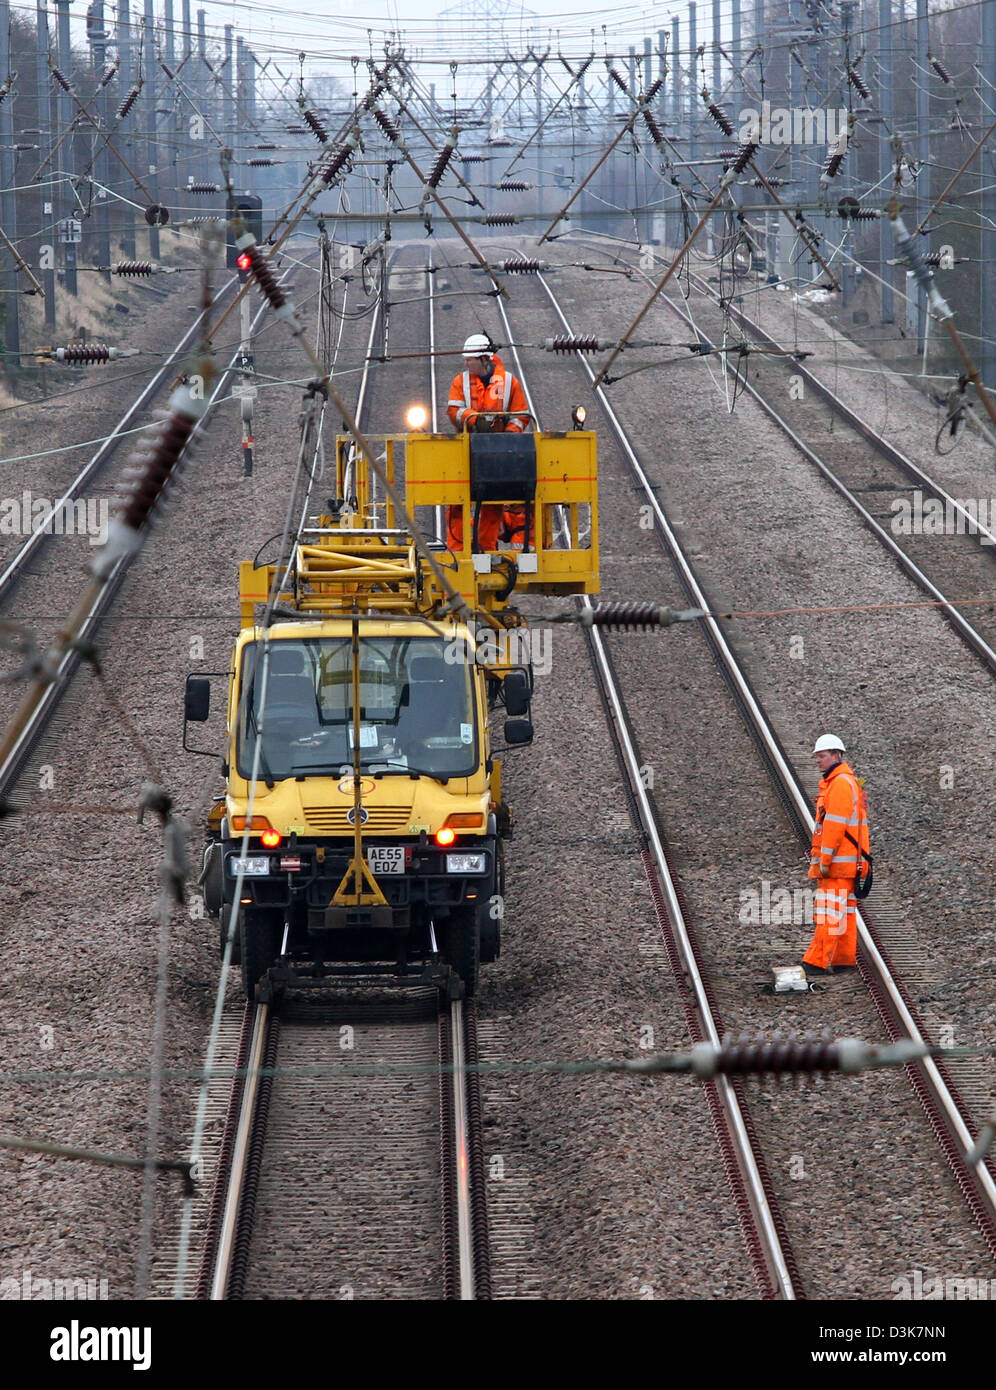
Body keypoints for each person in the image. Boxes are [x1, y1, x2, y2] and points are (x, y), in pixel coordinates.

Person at [446, 334, 530, 551]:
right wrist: (474, 419)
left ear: (484, 359)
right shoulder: (460, 382)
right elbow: (454, 411)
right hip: (467, 450)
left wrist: (508, 437)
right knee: (456, 502)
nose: (466, 362)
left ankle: (486, 548)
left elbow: (521, 415)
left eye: (470, 359)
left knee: (493, 504)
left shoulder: (510, 382)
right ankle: (457, 549)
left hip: (499, 455)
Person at [802, 734, 870, 975]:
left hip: (837, 865)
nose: (818, 761)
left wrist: (824, 861)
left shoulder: (840, 784)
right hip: (849, 863)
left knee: (829, 913)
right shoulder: (849, 782)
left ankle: (816, 961)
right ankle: (843, 959)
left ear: (836, 755)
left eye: (821, 756)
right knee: (846, 912)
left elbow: (834, 827)